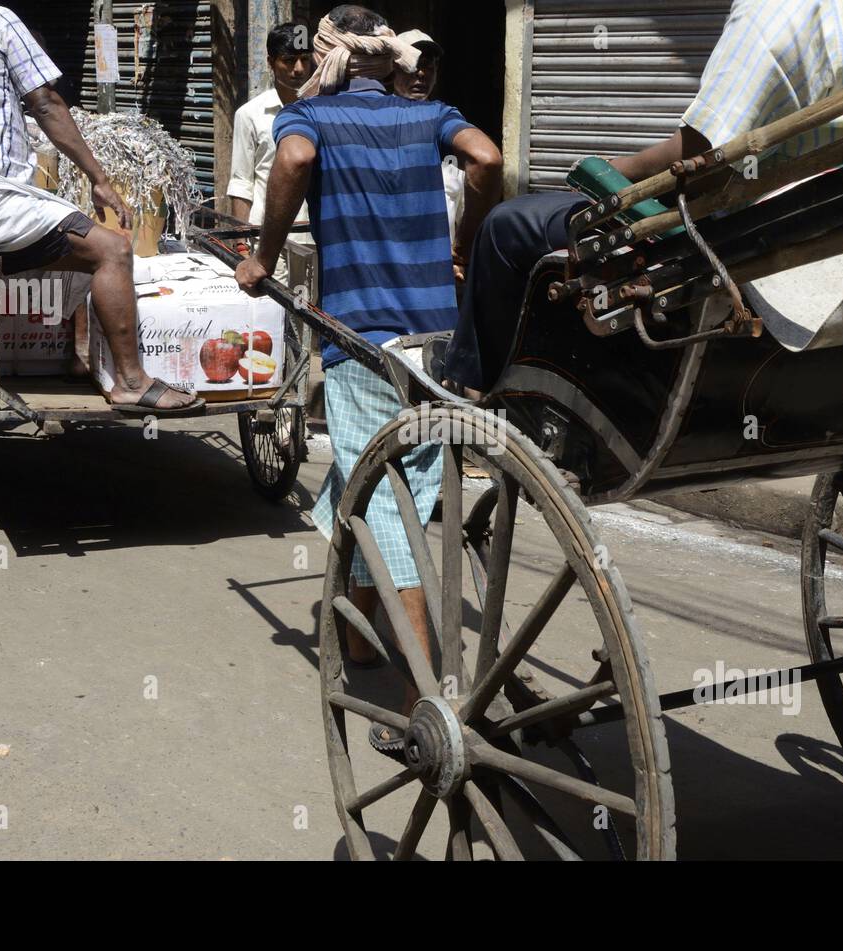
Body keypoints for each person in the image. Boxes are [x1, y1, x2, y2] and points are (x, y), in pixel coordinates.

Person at [440, 0, 843, 394]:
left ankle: (475, 391)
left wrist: (609, 173)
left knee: (513, 224)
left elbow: (702, 160)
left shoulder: (785, 12)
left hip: (796, 248)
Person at [234, 4, 503, 755]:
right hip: (439, 344)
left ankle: (426, 693)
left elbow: (288, 166)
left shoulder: (312, 120)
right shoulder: (430, 114)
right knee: (383, 481)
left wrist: (262, 255)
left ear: (330, 59)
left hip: (363, 344)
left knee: (385, 504)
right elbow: (487, 159)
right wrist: (466, 242)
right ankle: (356, 641)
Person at [0, 0, 202, 414]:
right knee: (112, 251)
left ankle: (76, 355)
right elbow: (45, 102)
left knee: (71, 234)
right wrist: (99, 179)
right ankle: (131, 382)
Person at [227, 21, 314, 282]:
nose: (298, 69)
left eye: (304, 60)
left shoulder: (323, 110)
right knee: (274, 315)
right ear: (271, 61)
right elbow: (242, 180)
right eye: (288, 60)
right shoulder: (250, 114)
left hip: (314, 237)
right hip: (269, 241)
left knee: (312, 316)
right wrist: (240, 240)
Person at [394, 29, 464, 250]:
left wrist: (460, 256)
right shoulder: (373, 129)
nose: (421, 73)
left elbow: (461, 211)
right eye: (413, 64)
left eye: (428, 65)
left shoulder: (452, 131)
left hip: (438, 271)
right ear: (392, 69)